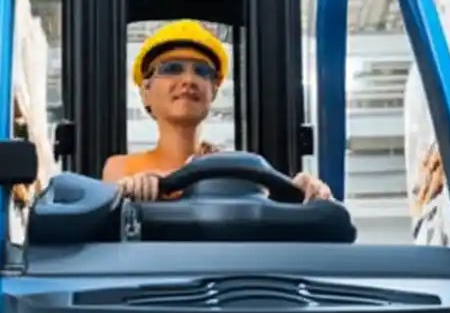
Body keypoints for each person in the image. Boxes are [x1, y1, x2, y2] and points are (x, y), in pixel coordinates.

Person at [101, 19, 333, 202]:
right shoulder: (122, 169)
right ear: (146, 92)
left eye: (202, 71)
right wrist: (130, 191)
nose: (189, 80)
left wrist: (301, 192)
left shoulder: (238, 171)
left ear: (212, 92)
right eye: (172, 68)